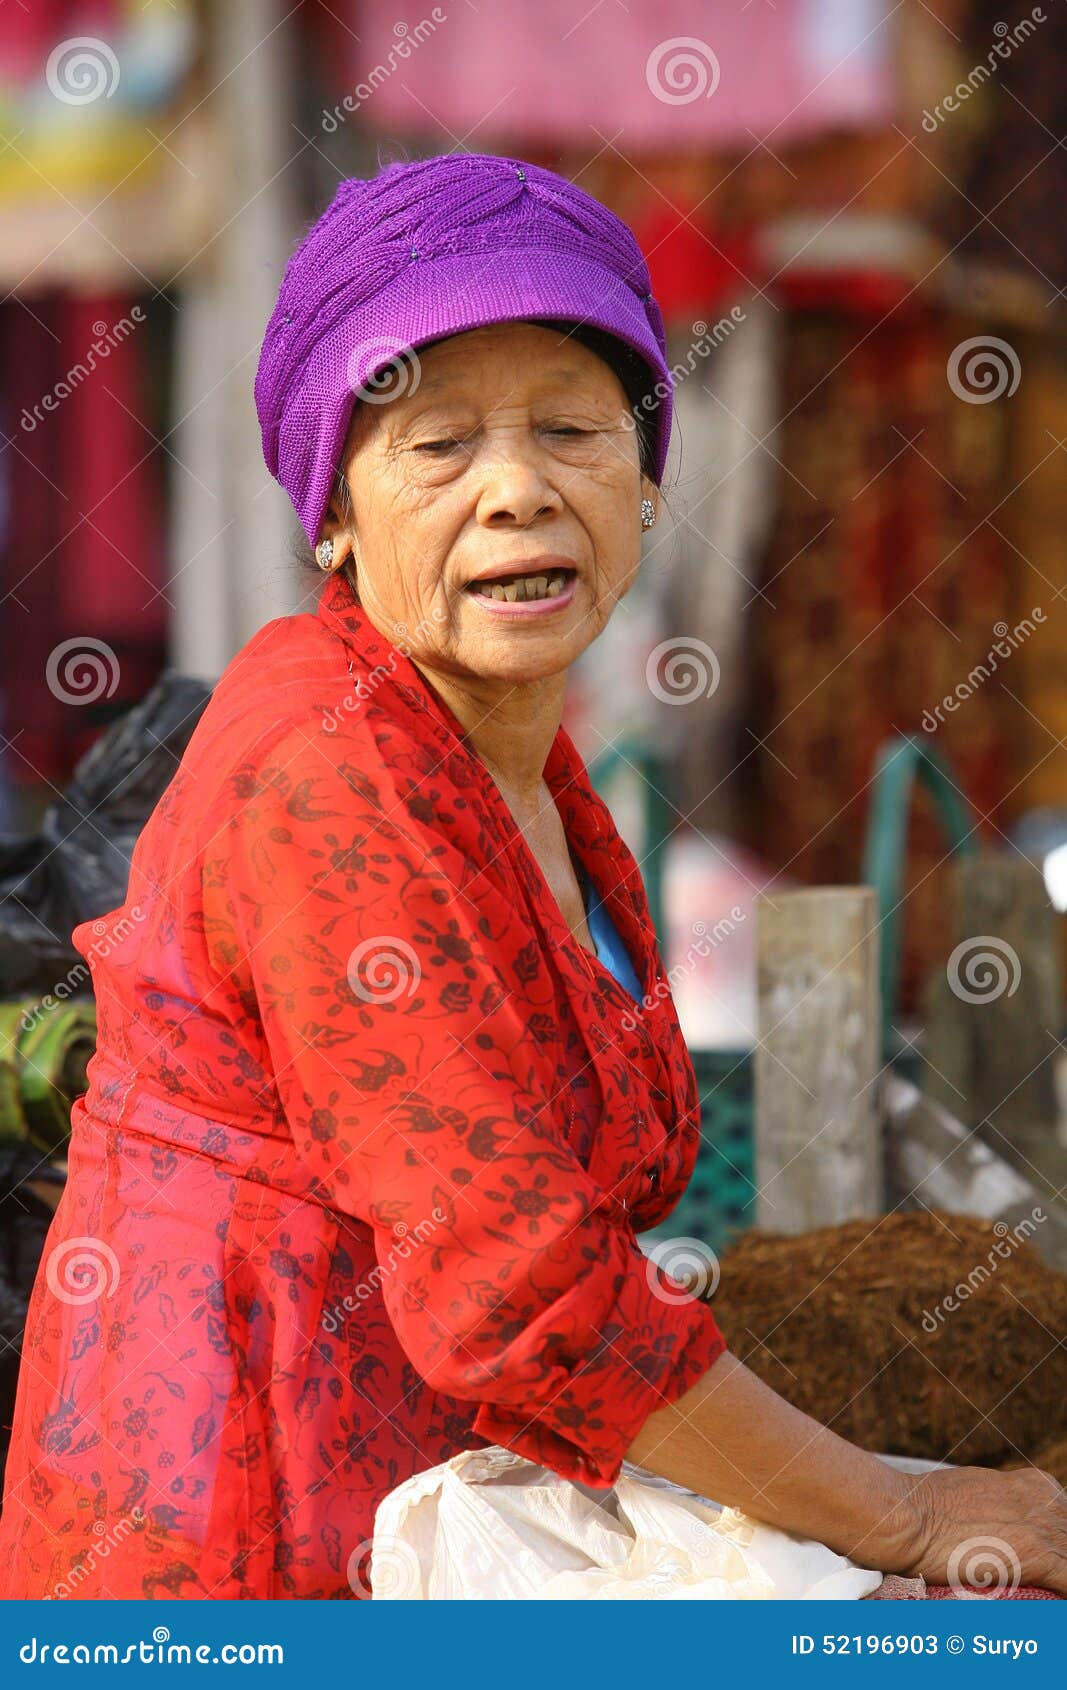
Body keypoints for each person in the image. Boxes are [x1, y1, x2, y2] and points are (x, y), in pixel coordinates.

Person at [1, 153, 1064, 1600]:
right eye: (439, 446)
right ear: (334, 515)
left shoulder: (521, 763)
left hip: (435, 1533)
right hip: (239, 1568)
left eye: (572, 429)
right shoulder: (323, 765)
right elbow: (518, 1289)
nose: (517, 492)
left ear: (646, 480)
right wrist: (911, 1516)